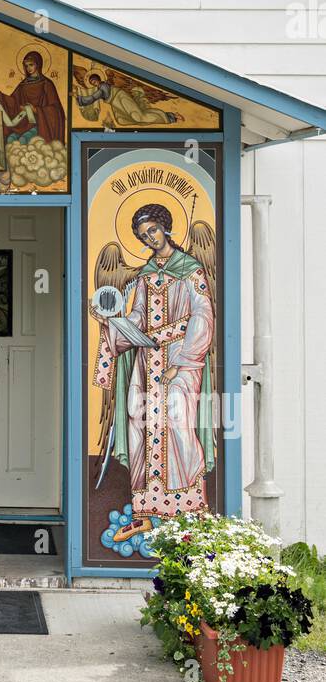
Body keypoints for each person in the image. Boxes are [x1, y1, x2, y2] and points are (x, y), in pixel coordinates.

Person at [91, 203, 215, 540]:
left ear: (166, 227)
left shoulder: (190, 270)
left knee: (178, 427)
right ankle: (146, 512)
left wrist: (184, 359)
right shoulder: (146, 274)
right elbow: (139, 318)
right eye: (143, 235)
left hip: (180, 359)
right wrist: (113, 324)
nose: (150, 238)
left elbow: (203, 316)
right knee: (140, 426)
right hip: (148, 360)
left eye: (153, 231)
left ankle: (189, 512)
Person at [0, 51, 65, 143]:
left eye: (31, 65)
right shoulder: (23, 85)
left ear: (38, 64)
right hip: (23, 123)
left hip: (40, 125)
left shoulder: (47, 84)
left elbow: (56, 110)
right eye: (26, 66)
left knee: (23, 140)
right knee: (10, 139)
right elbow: (13, 102)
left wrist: (36, 110)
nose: (28, 68)